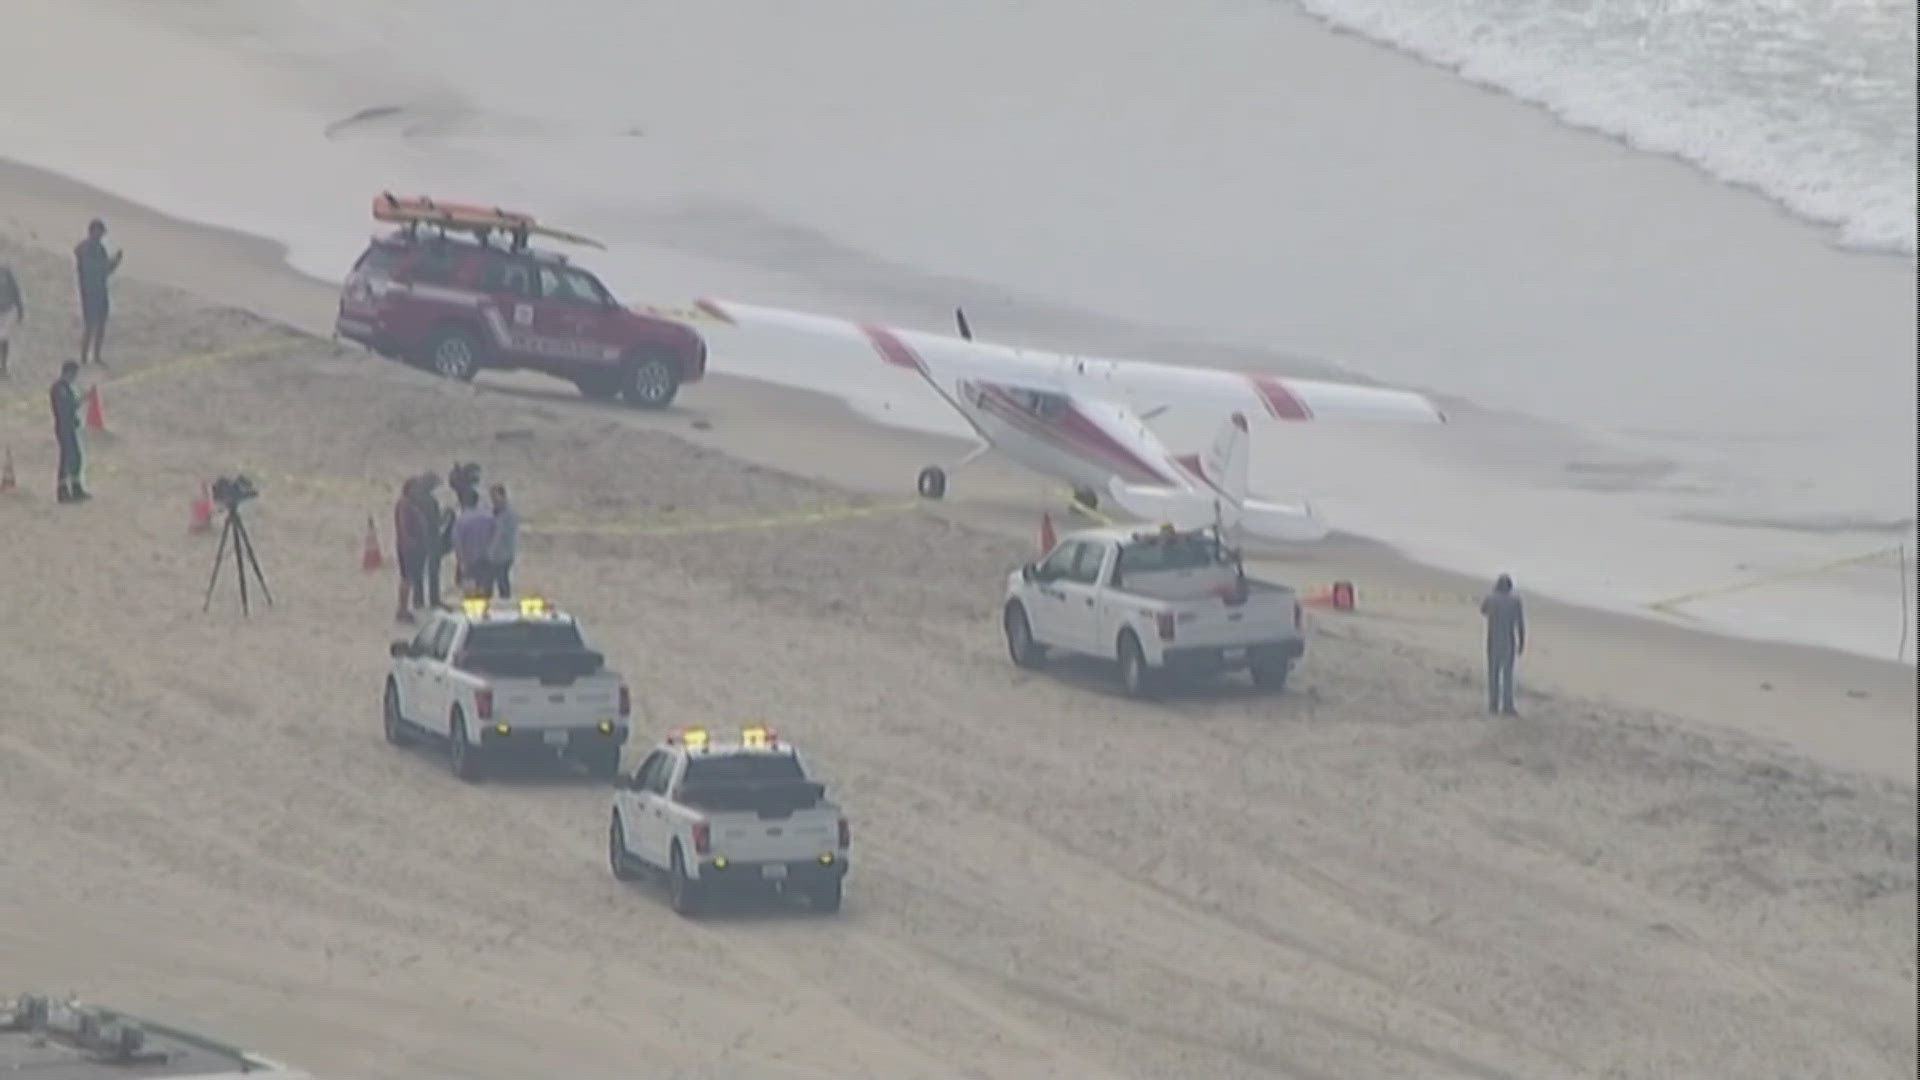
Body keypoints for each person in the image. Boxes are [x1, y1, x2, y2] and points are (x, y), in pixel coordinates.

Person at [74, 219, 122, 367]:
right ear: (93, 231)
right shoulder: (85, 249)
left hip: (100, 291)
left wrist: (115, 262)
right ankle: (84, 356)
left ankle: (96, 355)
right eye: (99, 232)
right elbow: (95, 270)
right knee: (90, 326)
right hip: (89, 292)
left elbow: (105, 271)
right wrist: (111, 263)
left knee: (101, 325)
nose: (101, 236)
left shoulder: (99, 248)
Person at [1479, 573, 1525, 715]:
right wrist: (1522, 641)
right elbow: (1520, 623)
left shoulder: (1491, 598)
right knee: (1507, 675)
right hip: (1509, 641)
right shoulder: (1515, 601)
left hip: (1493, 640)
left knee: (1493, 673)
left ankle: (1493, 705)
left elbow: (1483, 611)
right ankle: (1507, 705)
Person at [392, 476, 435, 621]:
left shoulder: (410, 504)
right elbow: (403, 526)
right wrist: (409, 543)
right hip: (409, 548)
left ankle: (405, 607)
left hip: (412, 546)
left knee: (409, 578)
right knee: (407, 578)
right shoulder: (405, 504)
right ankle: (402, 609)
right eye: (416, 488)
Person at [49, 361, 88, 502]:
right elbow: (66, 407)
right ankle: (63, 491)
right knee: (67, 458)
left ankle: (75, 487)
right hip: (64, 427)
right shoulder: (59, 388)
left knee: (76, 457)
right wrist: (82, 400)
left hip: (69, 426)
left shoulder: (64, 387)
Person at [409, 472, 448, 608]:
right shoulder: (430, 501)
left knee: (418, 572)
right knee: (433, 571)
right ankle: (434, 599)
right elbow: (436, 522)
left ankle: (418, 600)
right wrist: (447, 515)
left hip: (417, 540)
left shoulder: (413, 499)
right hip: (432, 539)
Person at [450, 487, 495, 597]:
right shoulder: (488, 517)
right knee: (486, 589)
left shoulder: (461, 520)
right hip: (487, 559)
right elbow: (495, 536)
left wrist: (460, 561)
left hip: (469, 560)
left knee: (470, 592)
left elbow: (457, 543)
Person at [484, 483, 519, 598]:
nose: (493, 499)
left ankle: (505, 601)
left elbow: (503, 534)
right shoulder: (494, 512)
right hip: (493, 553)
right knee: (488, 582)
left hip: (504, 553)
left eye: (495, 496)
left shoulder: (509, 514)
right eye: (492, 497)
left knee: (502, 580)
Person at [0, 263, 23, 378]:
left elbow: (15, 291)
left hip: (6, 311)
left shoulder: (6, 273)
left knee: (3, 339)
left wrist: (20, 309)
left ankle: (3, 366)